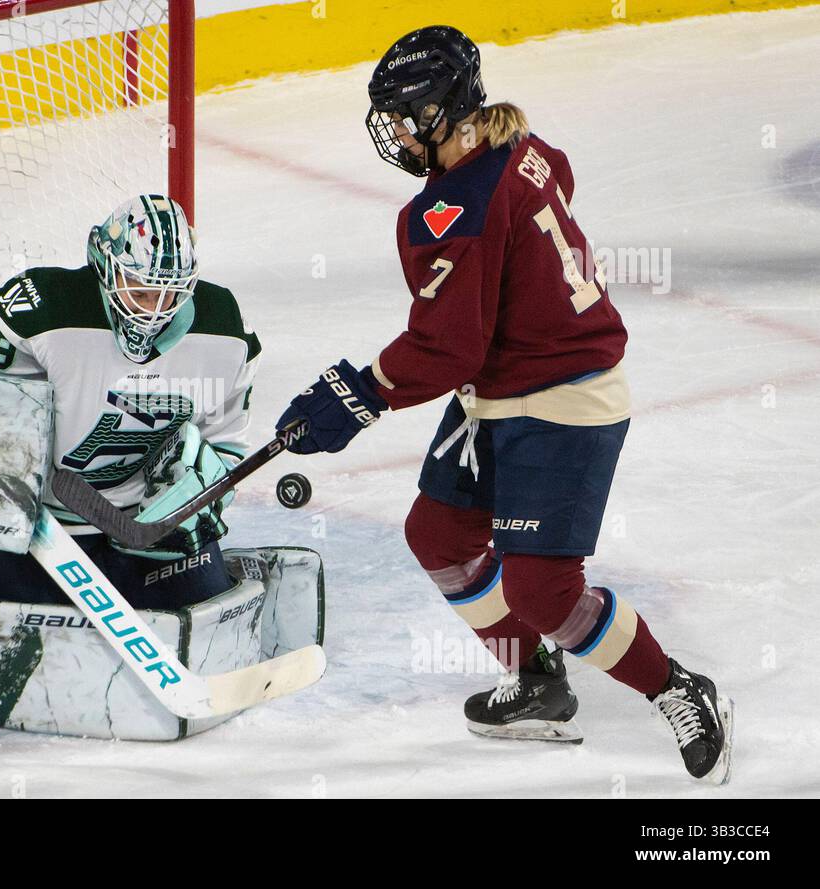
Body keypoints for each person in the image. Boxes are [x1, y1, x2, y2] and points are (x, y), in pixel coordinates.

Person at [275, 26, 733, 783]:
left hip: (566, 398)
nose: (391, 131)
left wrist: (356, 393)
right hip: (502, 387)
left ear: (441, 113)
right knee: (438, 534)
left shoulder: (454, 210)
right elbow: (558, 183)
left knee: (540, 588)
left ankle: (677, 688)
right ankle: (540, 682)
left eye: (402, 114)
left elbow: (445, 348)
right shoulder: (522, 147)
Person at [0, 194, 261, 610]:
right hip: (42, 523)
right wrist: (14, 463)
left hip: (147, 526)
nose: (155, 309)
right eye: (141, 290)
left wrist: (201, 494)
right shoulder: (41, 305)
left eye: (171, 294)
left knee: (198, 620)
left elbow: (226, 439)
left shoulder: (225, 329)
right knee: (42, 651)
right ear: (106, 265)